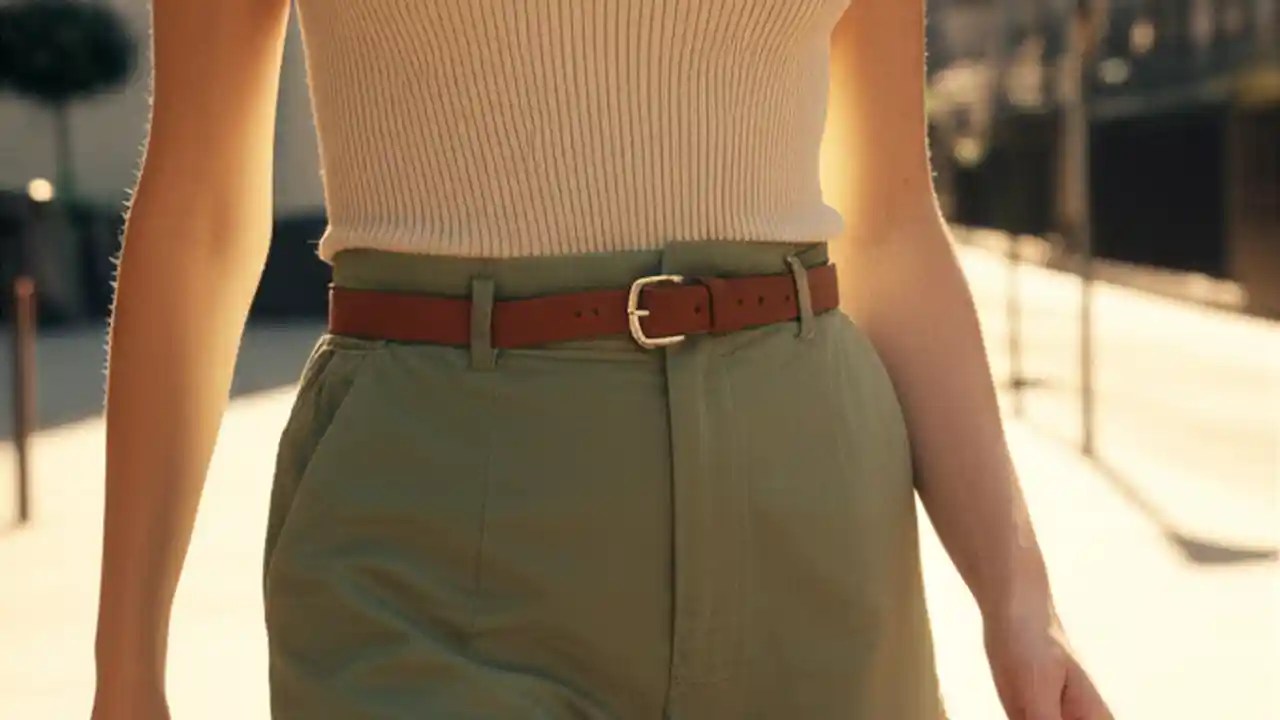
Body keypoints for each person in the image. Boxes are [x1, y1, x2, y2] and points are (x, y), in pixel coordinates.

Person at [91, 0, 1113, 718]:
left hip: (812, 524)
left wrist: (1019, 601)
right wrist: (126, 664)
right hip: (431, 524)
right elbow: (198, 215)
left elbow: (888, 226)